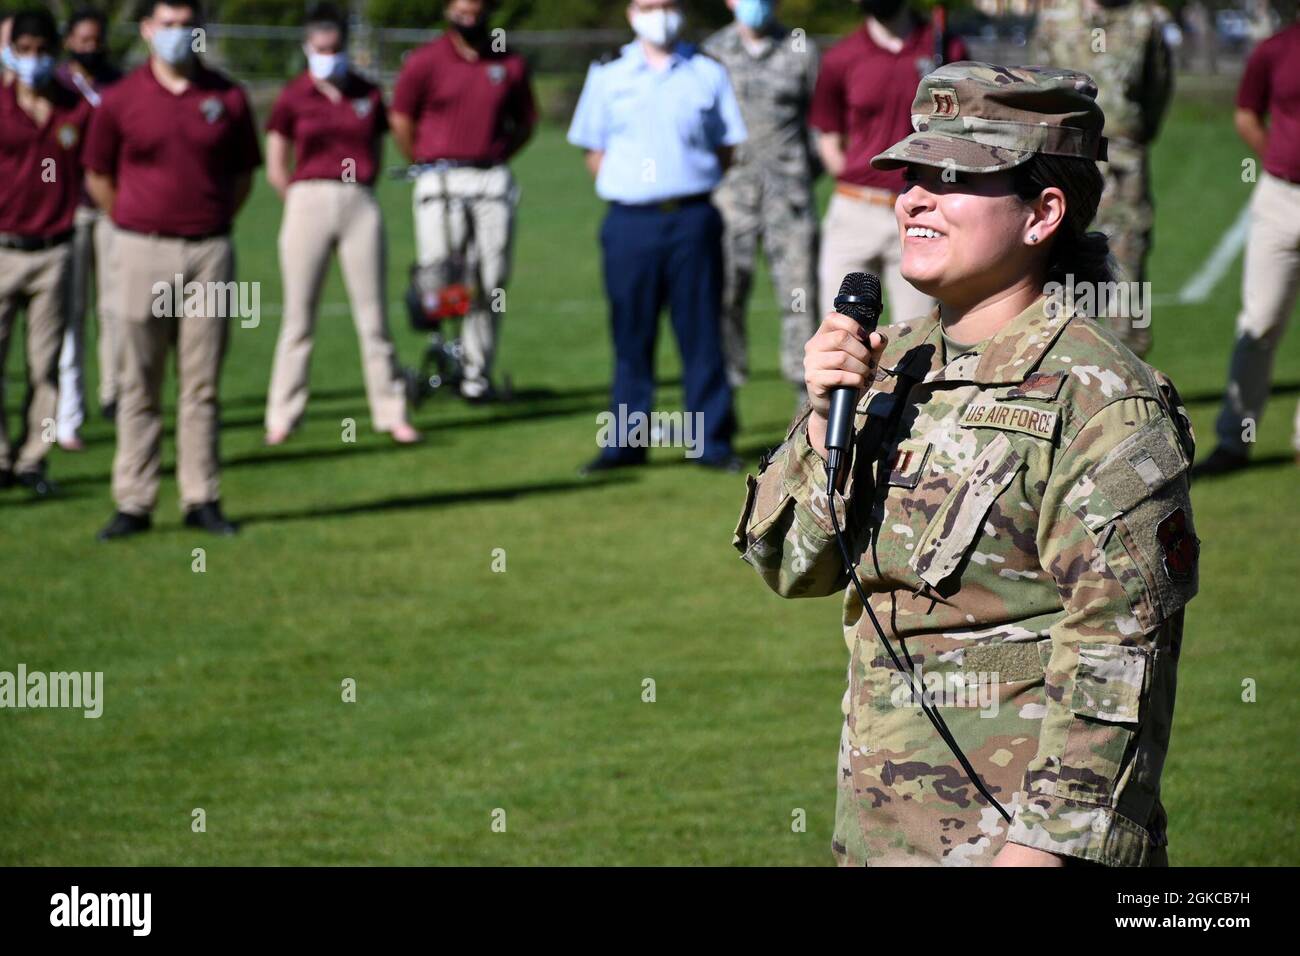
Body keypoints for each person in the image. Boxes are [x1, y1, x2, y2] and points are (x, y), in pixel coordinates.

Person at [734, 63, 1198, 866]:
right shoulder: (894, 364)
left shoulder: (1101, 402)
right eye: (913, 175)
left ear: (1043, 212)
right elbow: (791, 566)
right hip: (882, 837)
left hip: (1016, 850)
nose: (913, 198)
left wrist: (1043, 852)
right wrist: (820, 421)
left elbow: (1120, 659)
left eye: (954, 178)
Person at [84, 0, 261, 539]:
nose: (178, 34)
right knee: (138, 382)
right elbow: (98, 174)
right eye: (167, 25)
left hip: (209, 251)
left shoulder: (226, 97)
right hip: (140, 249)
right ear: (146, 30)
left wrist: (204, 222)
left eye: (188, 25)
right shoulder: (121, 100)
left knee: (201, 384)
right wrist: (138, 223)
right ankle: (134, 501)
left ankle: (200, 496)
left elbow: (241, 177)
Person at [569, 0, 747, 473]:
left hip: (692, 218)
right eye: (650, 5)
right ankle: (625, 444)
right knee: (631, 335)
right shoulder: (607, 73)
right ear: (631, 12)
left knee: (702, 332)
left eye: (667, 4)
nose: (659, 14)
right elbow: (594, 148)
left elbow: (726, 146)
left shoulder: (707, 71)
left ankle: (711, 442)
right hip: (630, 222)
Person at [263, 3, 418, 447]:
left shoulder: (367, 94)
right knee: (298, 318)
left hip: (358, 202)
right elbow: (277, 162)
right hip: (307, 198)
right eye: (320, 48)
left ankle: (391, 412)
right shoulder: (293, 97)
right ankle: (283, 414)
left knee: (374, 318)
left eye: (335, 47)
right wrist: (295, 199)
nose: (328, 55)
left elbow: (378, 150)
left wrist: (358, 192)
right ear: (307, 47)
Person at [390, 0, 536, 403]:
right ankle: (441, 354)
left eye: (475, 12)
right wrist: (422, 160)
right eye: (461, 11)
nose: (468, 20)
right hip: (440, 178)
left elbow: (526, 121)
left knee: (491, 279)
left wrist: (498, 153)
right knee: (442, 277)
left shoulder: (508, 62)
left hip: (490, 178)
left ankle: (476, 375)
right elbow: (401, 118)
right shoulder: (425, 61)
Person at [809, 0, 966, 332]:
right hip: (854, 211)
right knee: (839, 336)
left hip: (922, 210)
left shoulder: (947, 47)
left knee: (921, 336)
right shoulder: (841, 57)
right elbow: (829, 137)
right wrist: (859, 180)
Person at [1031, 0, 1173, 358]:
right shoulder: (1055, 16)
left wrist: (1130, 136)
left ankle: (1131, 390)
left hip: (1124, 172)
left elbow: (1157, 89)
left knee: (1128, 281)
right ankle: (1055, 373)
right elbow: (1036, 87)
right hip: (1065, 168)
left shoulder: (1145, 21)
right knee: (1057, 274)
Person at [1193, 17, 1300, 478]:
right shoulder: (1275, 50)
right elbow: (1245, 115)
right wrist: (1277, 156)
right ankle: (1236, 441)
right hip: (1279, 196)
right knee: (1260, 321)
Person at [703, 0, 820, 398]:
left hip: (789, 199)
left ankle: (808, 399)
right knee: (725, 294)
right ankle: (727, 388)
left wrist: (800, 174)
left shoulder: (800, 49)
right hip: (729, 198)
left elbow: (818, 126)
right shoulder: (712, 52)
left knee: (799, 295)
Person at [0, 7, 93, 497]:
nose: (32, 61)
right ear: (10, 51)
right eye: (24, 51)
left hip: (55, 251)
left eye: (41, 52)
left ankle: (33, 459)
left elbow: (100, 166)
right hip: (2, 247)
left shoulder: (75, 108)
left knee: (46, 366)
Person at [54, 4, 122, 450]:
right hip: (72, 210)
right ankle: (67, 415)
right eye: (82, 40)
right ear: (68, 41)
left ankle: (116, 396)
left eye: (96, 40)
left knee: (118, 309)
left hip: (115, 209)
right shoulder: (56, 86)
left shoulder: (120, 83)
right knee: (70, 315)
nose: (89, 48)